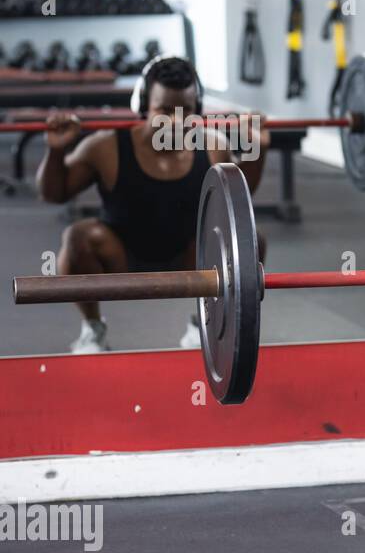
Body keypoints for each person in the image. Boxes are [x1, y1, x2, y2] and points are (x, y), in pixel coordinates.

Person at [36, 56, 266, 353]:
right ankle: (93, 329)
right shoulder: (106, 146)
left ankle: (203, 324)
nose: (176, 121)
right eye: (164, 111)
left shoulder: (212, 144)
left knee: (249, 244)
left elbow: (240, 196)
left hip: (188, 259)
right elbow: (55, 193)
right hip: (121, 257)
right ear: (143, 106)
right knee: (77, 238)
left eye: (185, 111)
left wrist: (256, 149)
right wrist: (55, 152)